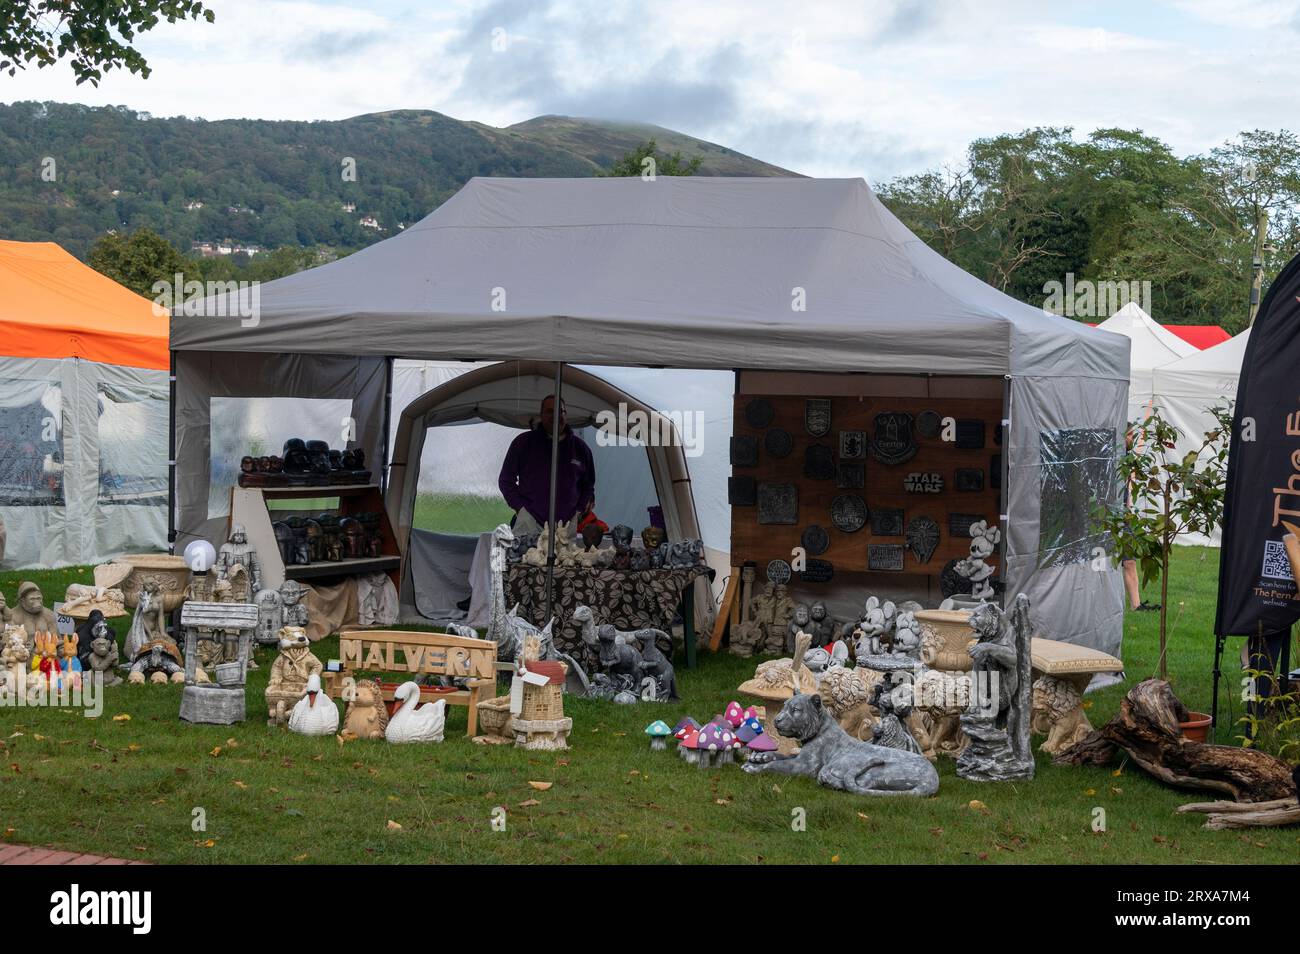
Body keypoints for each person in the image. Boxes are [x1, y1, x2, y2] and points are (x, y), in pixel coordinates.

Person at [497, 395, 596, 535]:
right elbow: (506, 480)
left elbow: (588, 485)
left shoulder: (581, 449)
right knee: (525, 557)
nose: (556, 416)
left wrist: (578, 513)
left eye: (560, 411)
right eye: (550, 411)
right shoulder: (523, 444)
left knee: (566, 558)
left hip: (565, 527)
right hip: (530, 524)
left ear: (566, 415)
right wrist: (521, 509)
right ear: (541, 415)